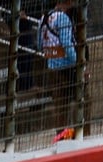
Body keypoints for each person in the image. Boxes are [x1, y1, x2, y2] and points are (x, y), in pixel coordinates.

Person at [38, 0, 78, 132]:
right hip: (66, 67)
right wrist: (78, 62)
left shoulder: (44, 18)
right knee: (81, 99)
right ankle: (81, 132)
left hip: (51, 65)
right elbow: (67, 44)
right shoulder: (63, 18)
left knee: (59, 104)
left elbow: (39, 45)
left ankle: (61, 135)